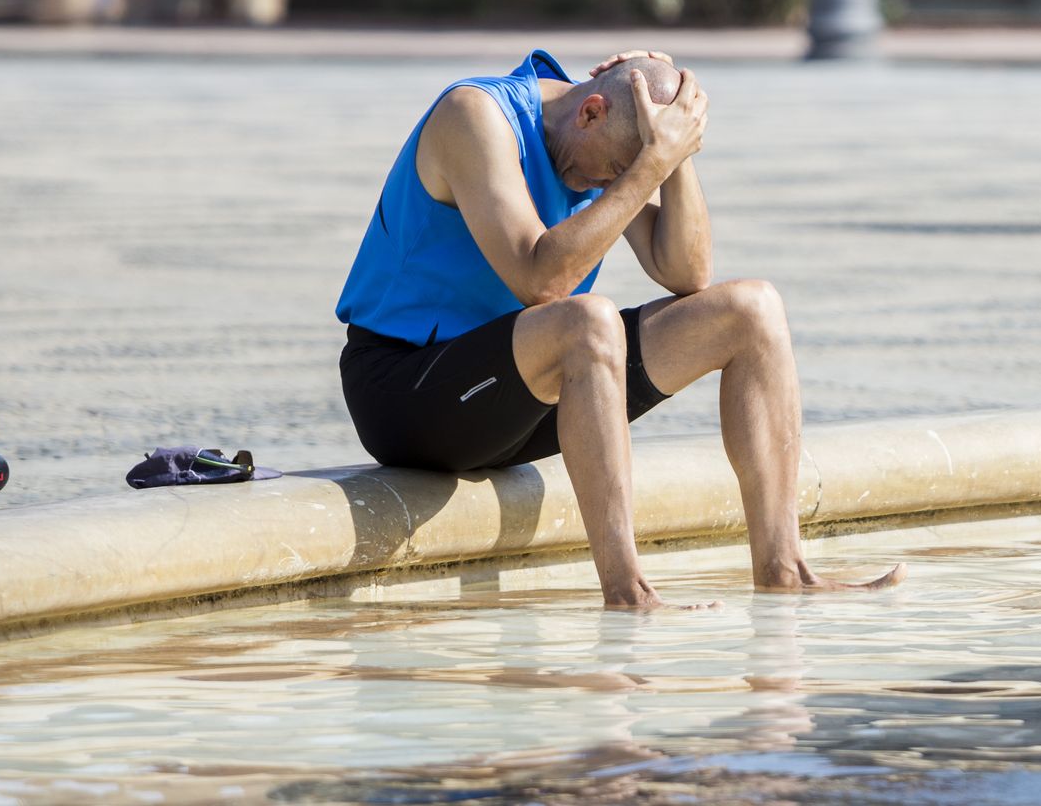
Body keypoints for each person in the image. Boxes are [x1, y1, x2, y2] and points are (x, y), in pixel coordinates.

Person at [334, 49, 905, 610]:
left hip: (521, 396)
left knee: (753, 310)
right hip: (407, 395)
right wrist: (649, 165)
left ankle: (783, 569)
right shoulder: (474, 117)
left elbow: (687, 272)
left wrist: (676, 148)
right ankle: (627, 592)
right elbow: (542, 281)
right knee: (588, 319)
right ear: (590, 112)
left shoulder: (599, 142)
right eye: (612, 171)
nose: (605, 184)